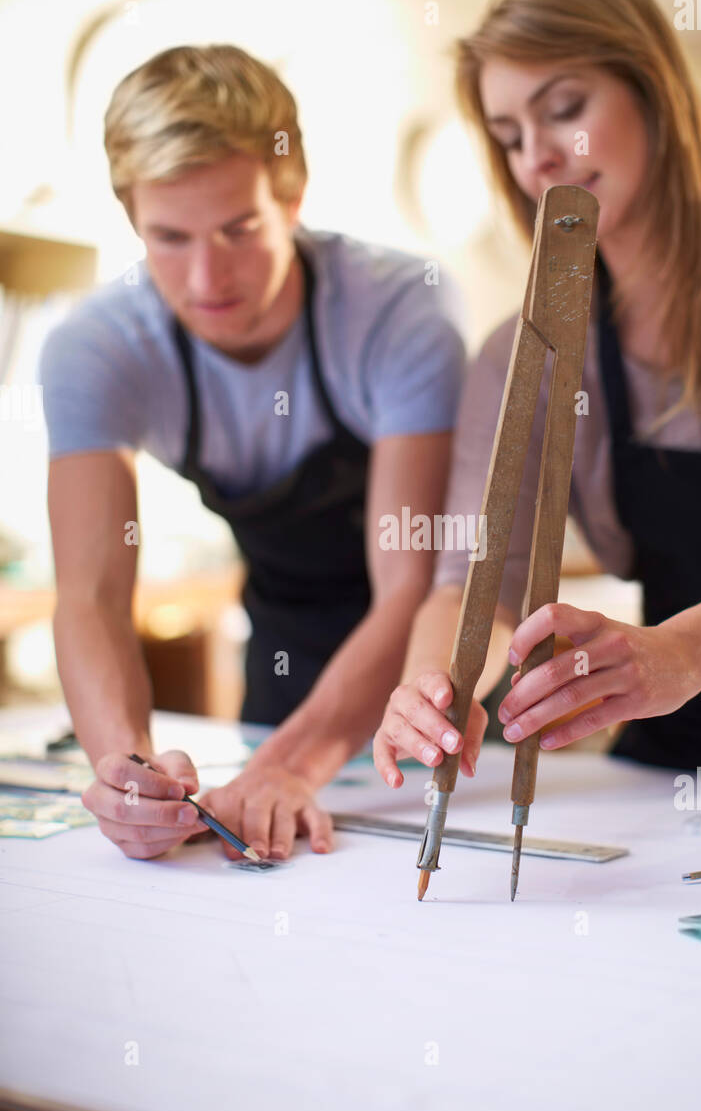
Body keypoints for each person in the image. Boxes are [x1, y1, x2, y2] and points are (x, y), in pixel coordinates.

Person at [373, 0, 701, 790]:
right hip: (678, 767)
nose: (537, 156)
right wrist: (437, 686)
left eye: (566, 109)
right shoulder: (519, 353)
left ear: (655, 93)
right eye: (507, 132)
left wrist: (689, 650)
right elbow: (476, 586)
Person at [40, 44, 465, 861]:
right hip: (285, 656)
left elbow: (409, 586)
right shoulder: (95, 348)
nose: (207, 277)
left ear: (293, 197)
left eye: (239, 229)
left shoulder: (398, 314)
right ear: (133, 219)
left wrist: (287, 768)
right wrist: (124, 771)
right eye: (169, 237)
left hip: (427, 666)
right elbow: (90, 594)